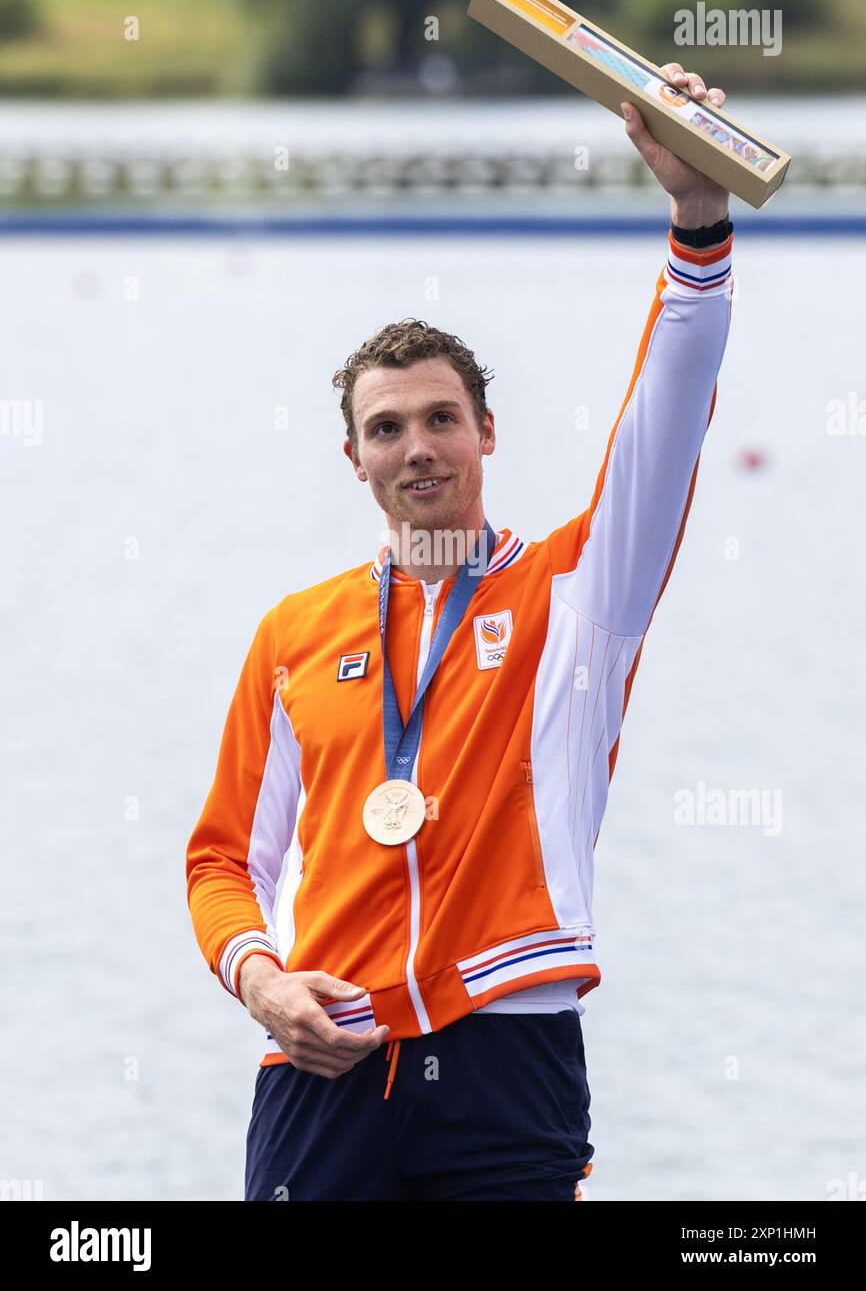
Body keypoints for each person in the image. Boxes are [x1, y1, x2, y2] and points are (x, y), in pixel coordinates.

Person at [185, 62, 735, 1202]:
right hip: (322, 1051)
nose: (417, 446)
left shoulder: (579, 593)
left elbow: (666, 419)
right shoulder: (295, 632)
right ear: (355, 459)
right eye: (386, 428)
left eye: (442, 418)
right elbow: (225, 860)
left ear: (486, 431)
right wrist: (260, 981)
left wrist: (696, 221)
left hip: (503, 1054)